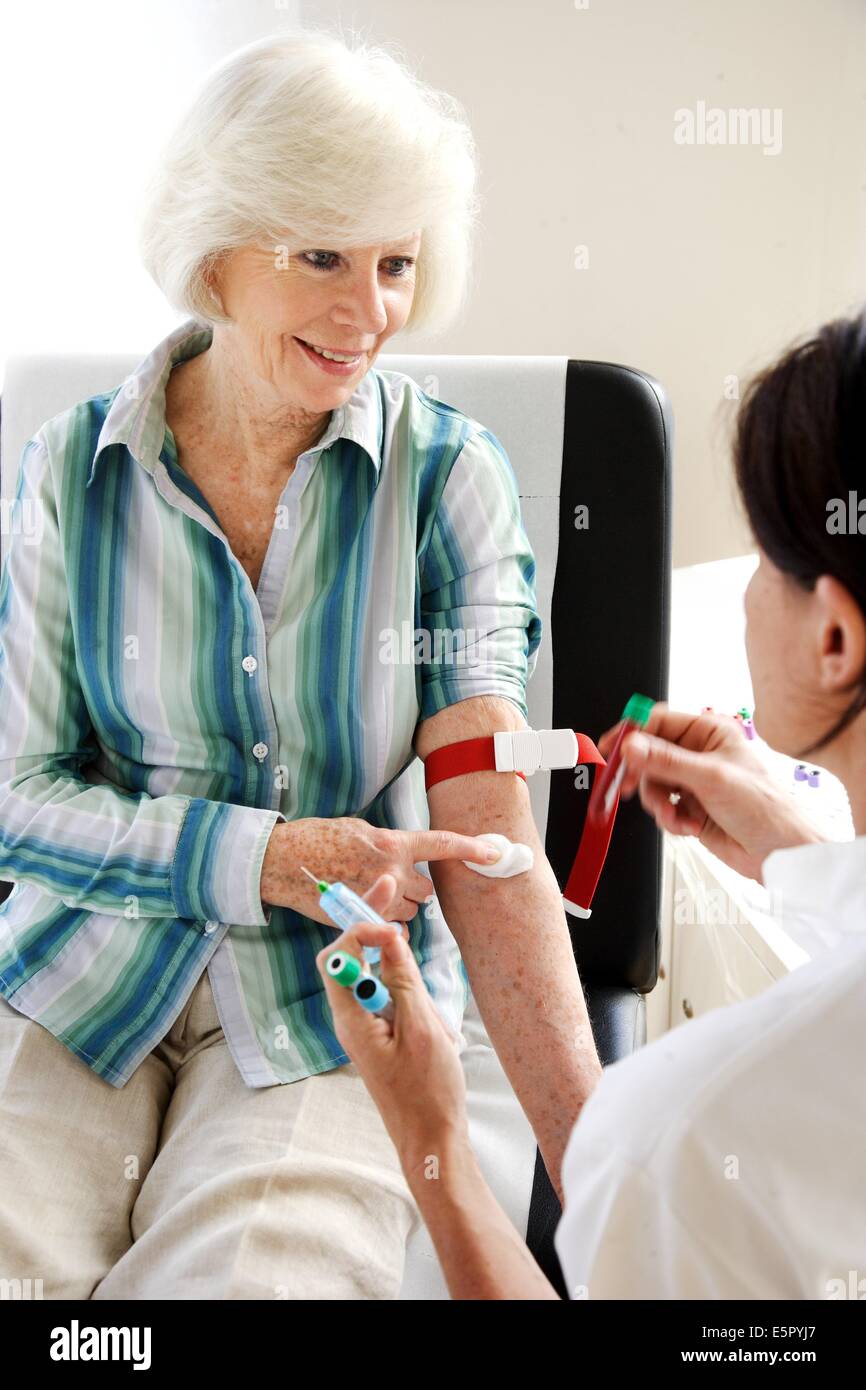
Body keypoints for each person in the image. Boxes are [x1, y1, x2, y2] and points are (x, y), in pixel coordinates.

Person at [0, 29, 602, 1300]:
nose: (369, 309)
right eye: (320, 254)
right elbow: (16, 789)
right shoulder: (66, 471)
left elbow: (485, 841)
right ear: (214, 253)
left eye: (395, 262)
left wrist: (607, 1174)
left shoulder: (451, 482)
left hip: (330, 985)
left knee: (261, 1287)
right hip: (72, 970)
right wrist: (261, 856)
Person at [317, 309, 866, 1299]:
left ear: (834, 639)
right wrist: (804, 852)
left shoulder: (678, 1139)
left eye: (763, 559)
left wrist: (431, 1142)